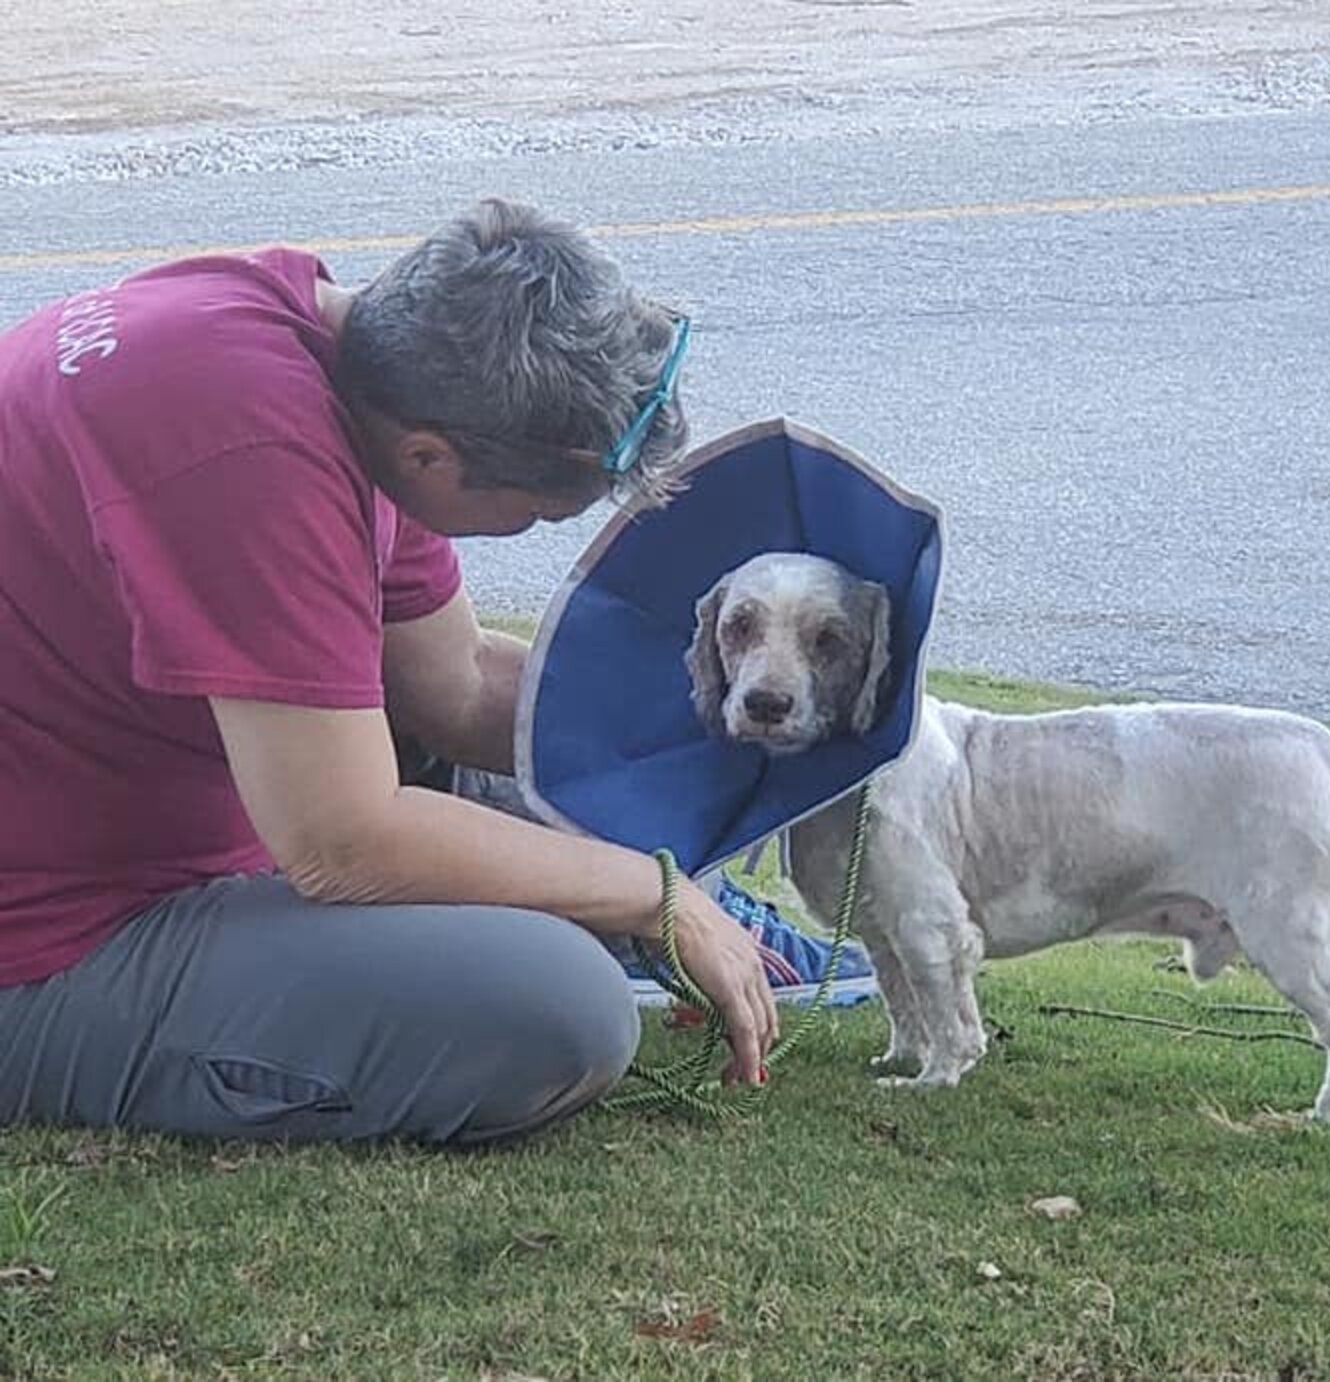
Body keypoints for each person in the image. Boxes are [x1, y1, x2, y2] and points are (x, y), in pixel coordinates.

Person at [0, 199, 780, 1147]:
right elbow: (342, 843)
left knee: (526, 805)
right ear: (432, 458)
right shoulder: (250, 450)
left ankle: (709, 921)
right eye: (537, 512)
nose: (529, 527)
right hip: (49, 939)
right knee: (558, 1010)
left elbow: (455, 685)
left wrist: (721, 721)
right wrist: (654, 897)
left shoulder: (348, 361)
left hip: (115, 821)